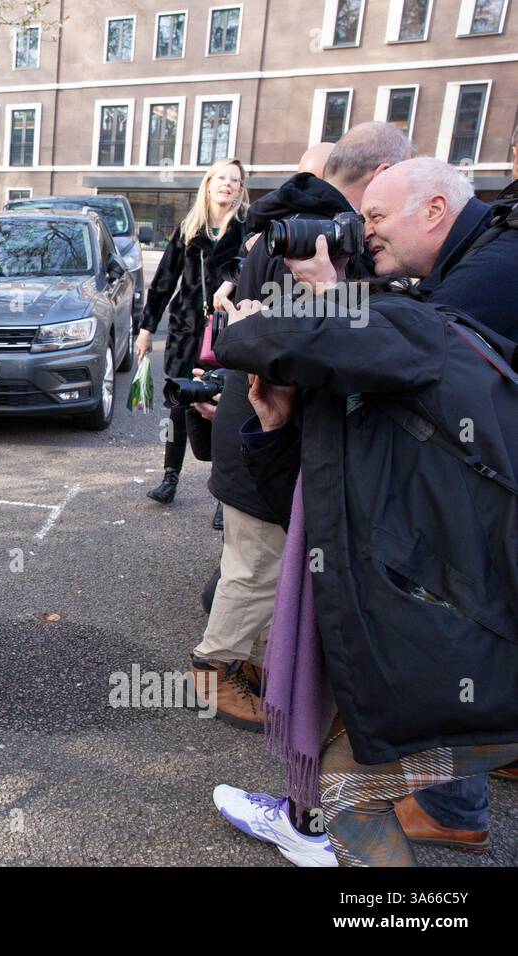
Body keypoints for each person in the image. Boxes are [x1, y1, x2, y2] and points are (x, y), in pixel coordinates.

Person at [215, 157, 518, 866]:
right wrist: (272, 419)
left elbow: (268, 340)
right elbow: (308, 490)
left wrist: (258, 321)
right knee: (348, 794)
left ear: (437, 211)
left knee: (349, 797)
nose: (362, 229)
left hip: (463, 645)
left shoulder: (429, 326)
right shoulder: (401, 329)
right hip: (433, 638)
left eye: (374, 217)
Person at [190, 124, 409, 734]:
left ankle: (238, 663)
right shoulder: (317, 239)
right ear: (376, 175)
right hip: (263, 425)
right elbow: (310, 341)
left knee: (253, 559)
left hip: (259, 423)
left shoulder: (283, 231)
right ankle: (216, 669)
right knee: (254, 565)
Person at [135, 158, 248, 505]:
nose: (227, 184)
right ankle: (170, 478)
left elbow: (257, 277)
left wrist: (232, 282)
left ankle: (223, 495)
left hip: (227, 333)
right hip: (186, 332)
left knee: (224, 409)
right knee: (180, 406)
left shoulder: (247, 231)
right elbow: (164, 281)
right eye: (221, 178)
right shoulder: (189, 229)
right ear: (209, 183)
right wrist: (145, 329)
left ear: (240, 191)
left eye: (235, 180)